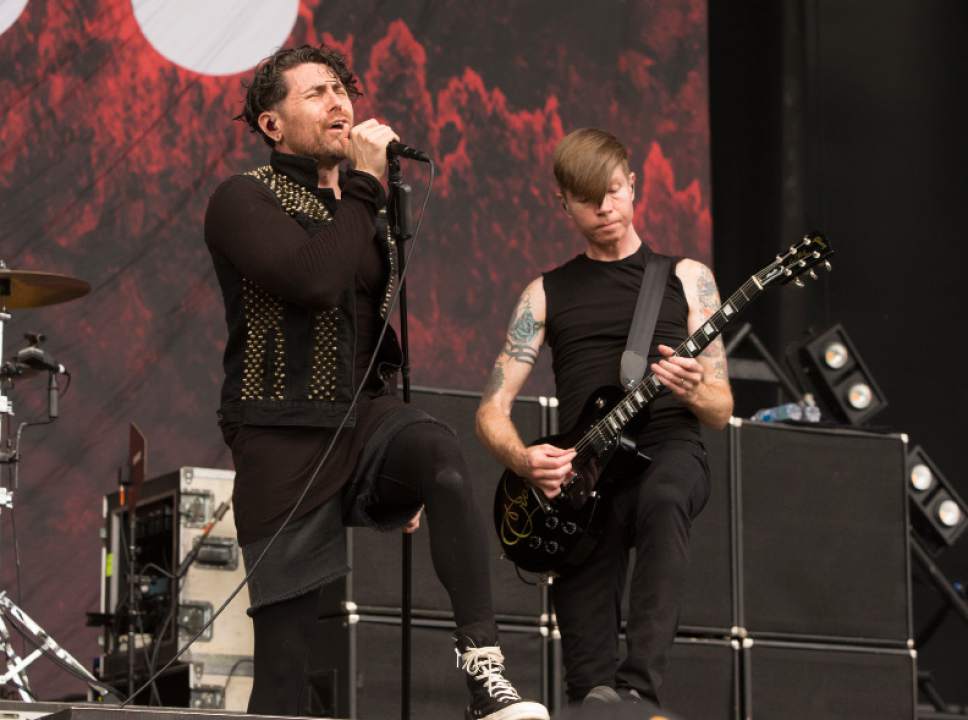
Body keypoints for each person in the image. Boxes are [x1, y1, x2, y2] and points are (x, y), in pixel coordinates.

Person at [204, 44, 548, 720]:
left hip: (361, 414)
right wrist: (364, 185)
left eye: (342, 90)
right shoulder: (243, 198)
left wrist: (396, 466)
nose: (338, 103)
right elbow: (314, 280)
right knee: (286, 662)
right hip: (282, 430)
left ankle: (485, 673)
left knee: (438, 453)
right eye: (316, 93)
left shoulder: (366, 207)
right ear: (272, 125)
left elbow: (363, 323)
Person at [476, 128, 733, 707]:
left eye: (613, 191)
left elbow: (721, 410)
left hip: (667, 446)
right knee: (588, 688)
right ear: (563, 204)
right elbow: (491, 409)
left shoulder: (687, 277)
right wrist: (524, 460)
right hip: (583, 478)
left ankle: (640, 689)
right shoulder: (544, 293)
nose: (604, 207)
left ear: (633, 185)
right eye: (588, 199)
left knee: (665, 497)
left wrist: (695, 389)